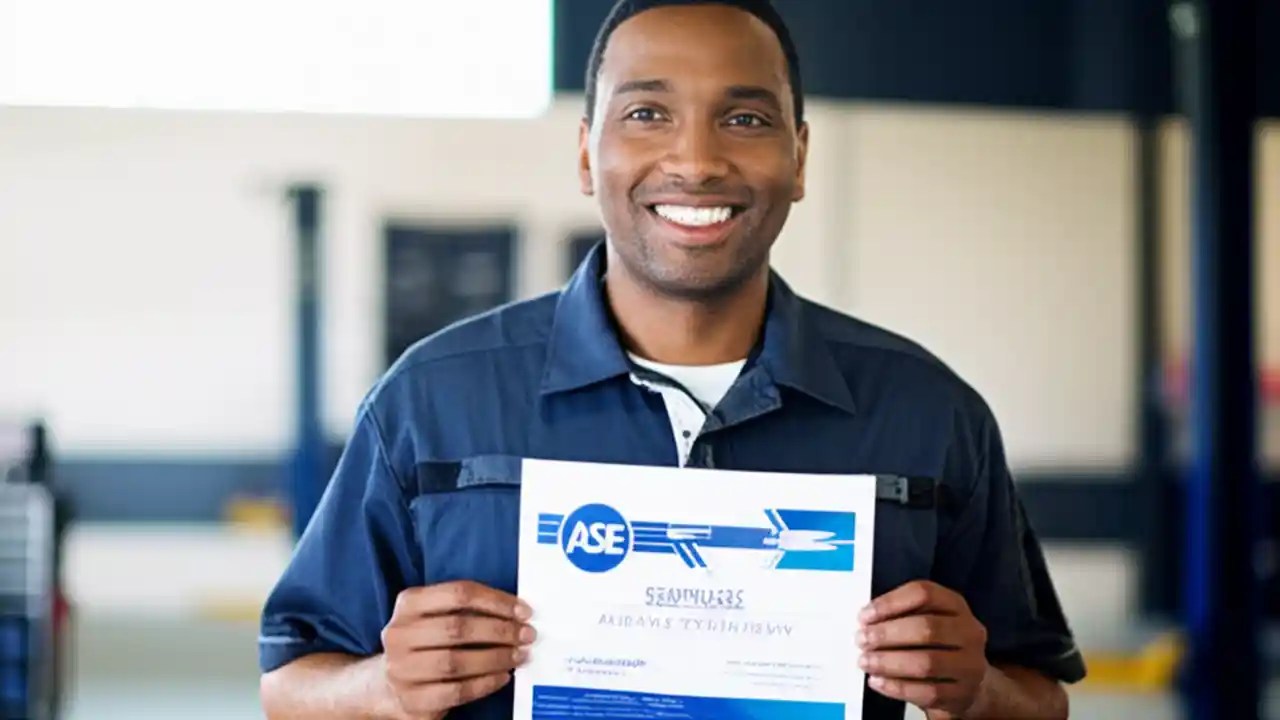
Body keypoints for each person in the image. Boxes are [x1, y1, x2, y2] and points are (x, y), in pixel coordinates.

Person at [257, 0, 1085, 717]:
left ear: (799, 156)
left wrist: (973, 691)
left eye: (746, 118)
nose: (695, 161)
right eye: (647, 114)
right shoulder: (431, 400)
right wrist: (381, 690)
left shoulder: (929, 414)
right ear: (588, 153)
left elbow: (1039, 695)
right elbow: (290, 684)